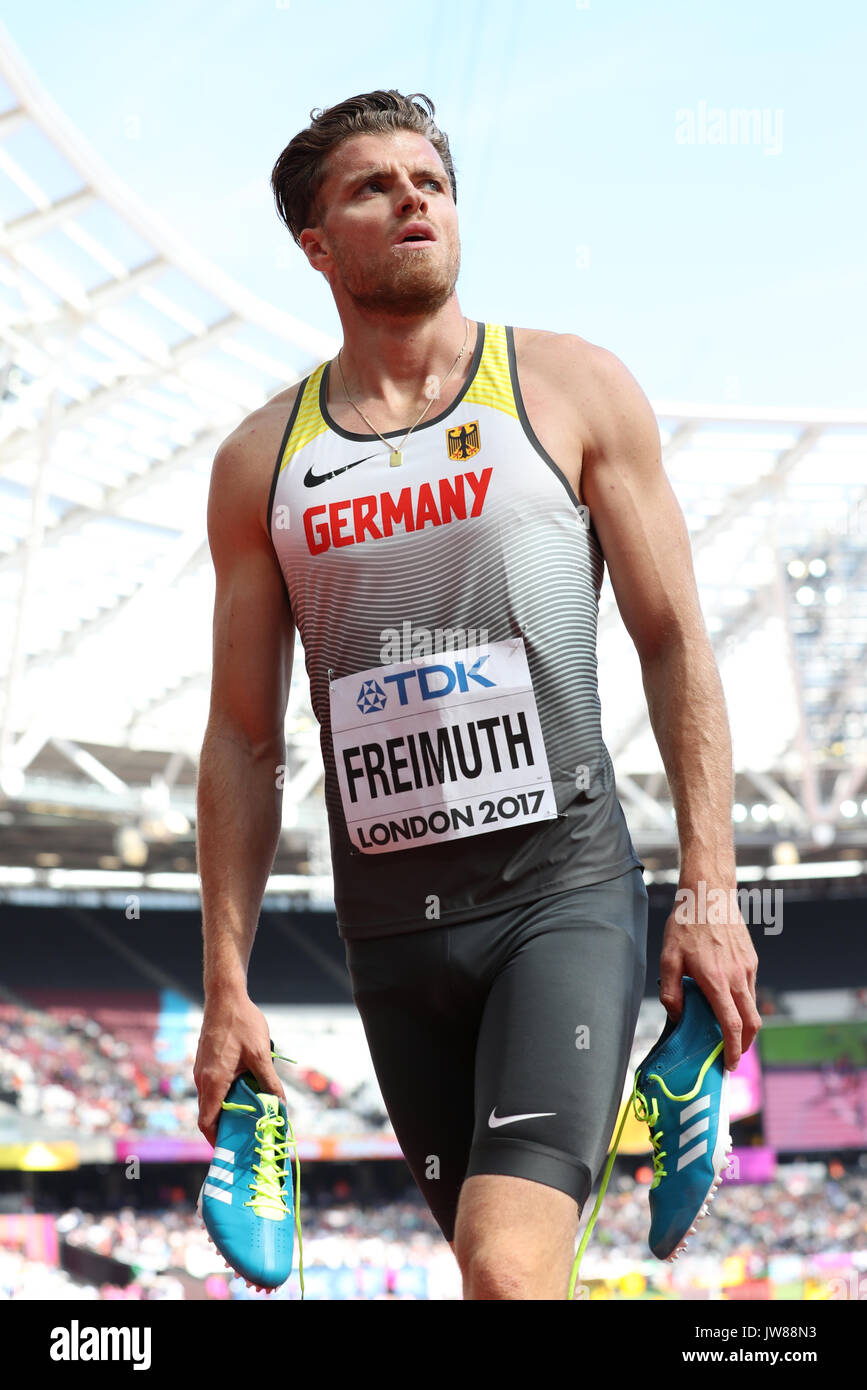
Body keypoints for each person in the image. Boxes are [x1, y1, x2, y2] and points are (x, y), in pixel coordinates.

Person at [194, 89, 760, 1300]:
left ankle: (667, 1055)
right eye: (372, 186)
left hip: (559, 897)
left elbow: (673, 641)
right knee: (502, 1278)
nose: (413, 197)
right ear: (317, 246)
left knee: (505, 1266)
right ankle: (669, 1084)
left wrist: (710, 887)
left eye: (431, 180)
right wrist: (227, 984)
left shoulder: (568, 390)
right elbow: (244, 740)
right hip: (391, 934)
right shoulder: (262, 461)